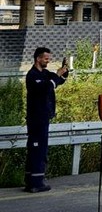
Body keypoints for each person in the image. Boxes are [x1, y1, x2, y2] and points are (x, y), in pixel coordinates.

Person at [24, 47, 68, 193]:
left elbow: (58, 81)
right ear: (38, 58)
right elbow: (46, 87)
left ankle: (33, 180)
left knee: (39, 148)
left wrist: (63, 72)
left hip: (43, 117)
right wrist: (56, 76)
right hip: (36, 117)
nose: (48, 61)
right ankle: (36, 182)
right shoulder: (32, 75)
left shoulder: (45, 74)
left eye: (49, 59)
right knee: (37, 148)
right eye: (46, 59)